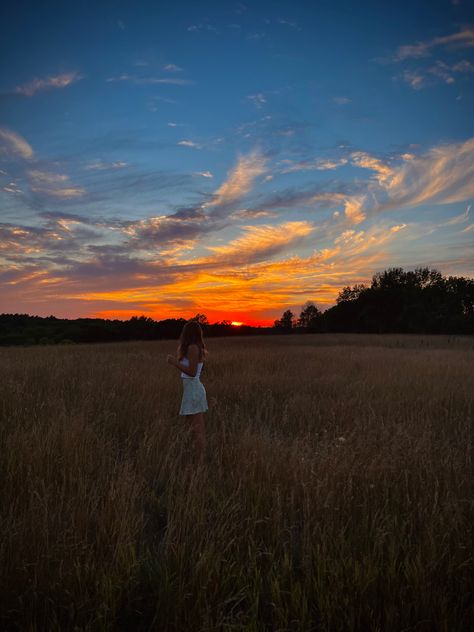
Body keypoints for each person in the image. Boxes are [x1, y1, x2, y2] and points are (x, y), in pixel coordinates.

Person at [167, 320, 208, 460]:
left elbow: (192, 372)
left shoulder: (193, 348)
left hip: (193, 390)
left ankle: (200, 463)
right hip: (191, 389)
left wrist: (174, 363)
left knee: (197, 430)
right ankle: (193, 457)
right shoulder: (193, 348)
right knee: (190, 428)